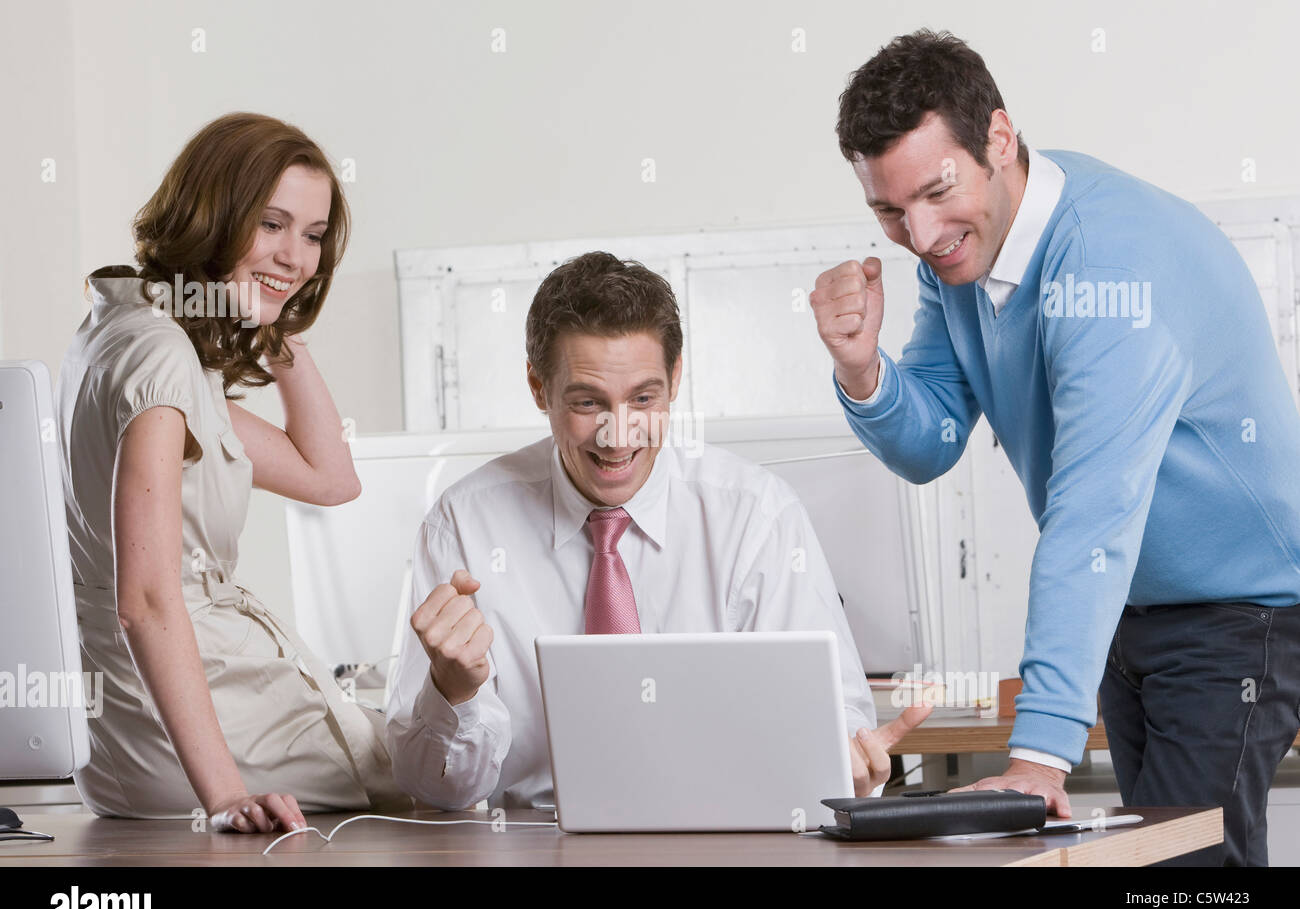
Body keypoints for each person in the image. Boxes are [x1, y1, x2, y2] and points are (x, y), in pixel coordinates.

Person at [809, 29, 1300, 865]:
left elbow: (1092, 515)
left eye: (936, 191)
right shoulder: (964, 248)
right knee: (1153, 875)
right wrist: (864, 374)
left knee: (1185, 876)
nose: (921, 234)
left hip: (1241, 614)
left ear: (999, 138)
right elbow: (932, 440)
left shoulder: (1114, 262)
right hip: (1130, 617)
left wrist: (1037, 757)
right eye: (889, 211)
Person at [386, 251, 930, 811]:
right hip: (534, 846)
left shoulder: (756, 516)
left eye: (643, 398)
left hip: (718, 838)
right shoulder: (463, 525)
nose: (618, 435)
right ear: (539, 388)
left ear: (675, 380)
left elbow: (835, 726)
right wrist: (453, 692)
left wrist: (841, 762)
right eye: (588, 402)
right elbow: (435, 792)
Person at [57, 112, 411, 833]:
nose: (297, 256)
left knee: (414, 735)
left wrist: (275, 326)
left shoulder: (134, 330)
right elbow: (148, 600)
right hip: (184, 738)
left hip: (126, 740)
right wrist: (224, 794)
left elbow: (329, 475)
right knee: (443, 764)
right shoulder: (161, 357)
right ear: (213, 214)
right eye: (272, 224)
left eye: (313, 236)